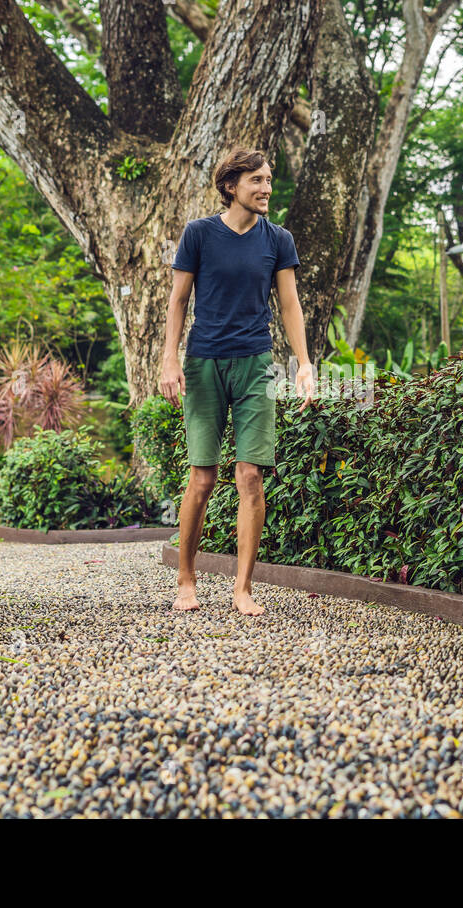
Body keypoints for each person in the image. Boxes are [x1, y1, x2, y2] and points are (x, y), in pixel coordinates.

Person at [158, 147, 317, 614]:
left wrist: (304, 362)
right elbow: (177, 300)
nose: (266, 188)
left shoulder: (278, 239)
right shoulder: (199, 234)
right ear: (231, 186)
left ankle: (242, 588)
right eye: (257, 180)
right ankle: (186, 579)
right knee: (202, 478)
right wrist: (170, 359)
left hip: (255, 365)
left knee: (250, 476)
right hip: (204, 363)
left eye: (269, 180)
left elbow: (289, 305)